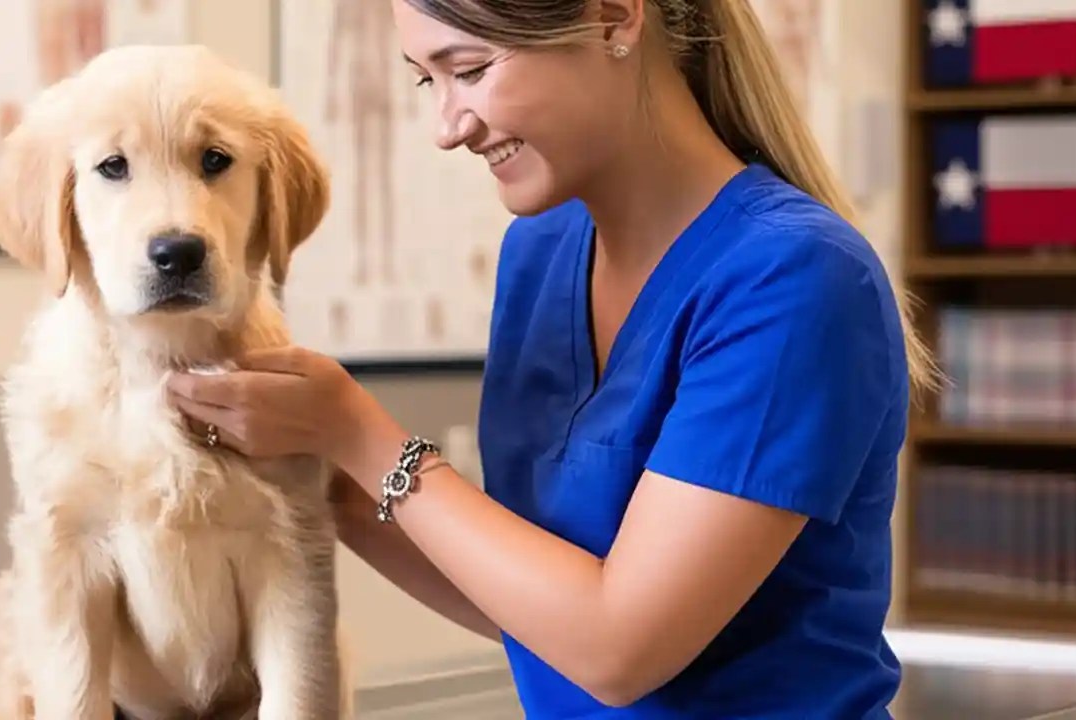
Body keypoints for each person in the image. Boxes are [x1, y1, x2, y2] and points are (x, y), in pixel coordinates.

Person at [165, 0, 936, 717]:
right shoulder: (541, 251)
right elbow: (532, 609)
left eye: (469, 71)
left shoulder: (792, 278)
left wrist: (360, 434)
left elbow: (617, 647)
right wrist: (315, 472)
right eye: (425, 79)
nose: (446, 125)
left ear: (613, 16)